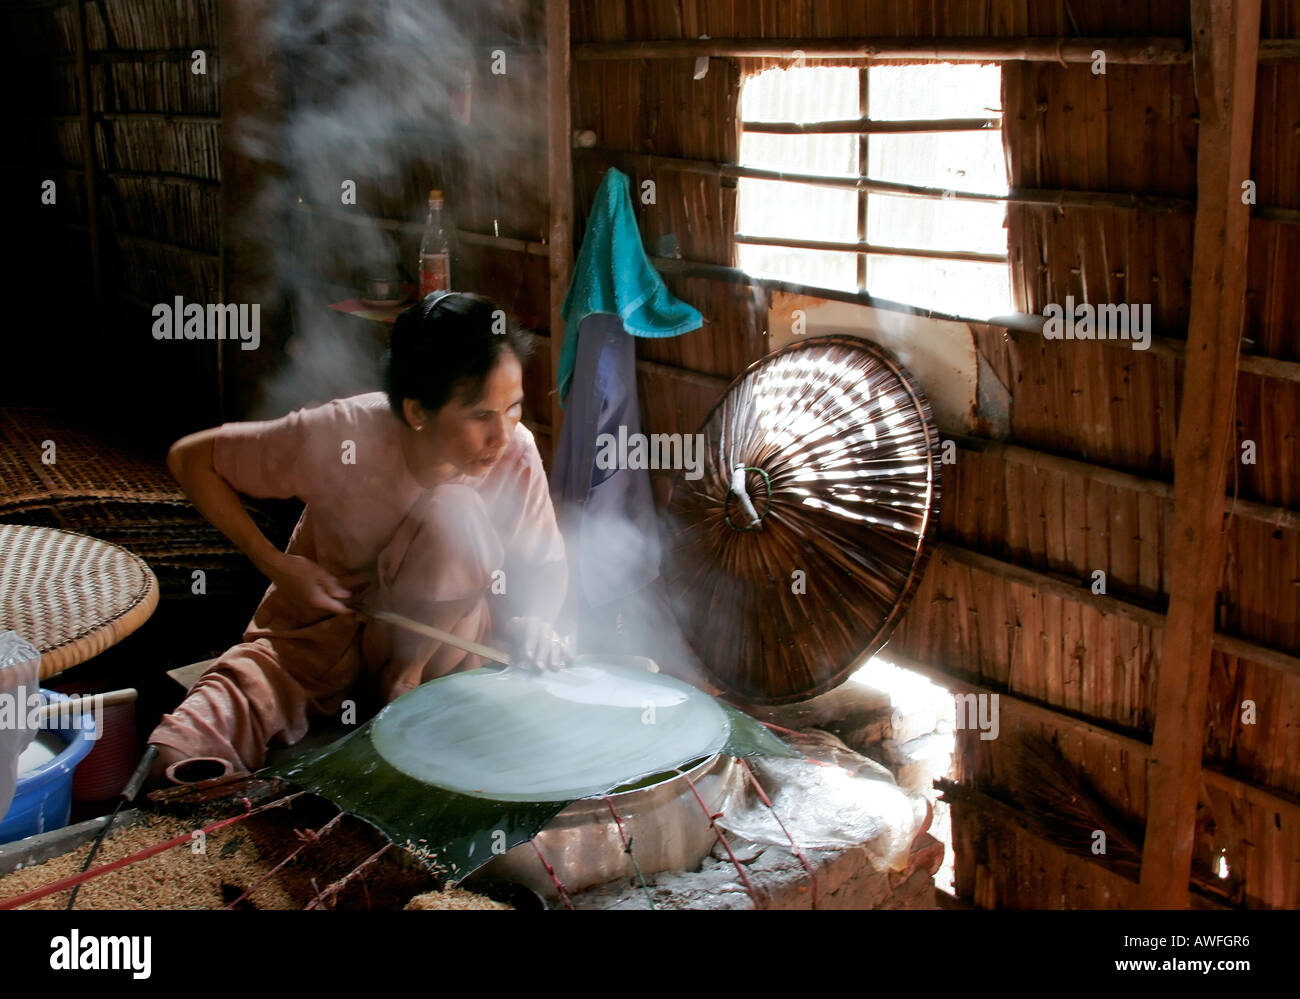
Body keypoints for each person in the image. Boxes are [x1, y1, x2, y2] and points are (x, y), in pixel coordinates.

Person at [147, 292, 570, 780]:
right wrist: (276, 564)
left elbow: (547, 563)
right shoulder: (343, 433)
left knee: (456, 513)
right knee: (174, 756)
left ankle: (403, 684)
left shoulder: (514, 452)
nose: (502, 435)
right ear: (417, 411)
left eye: (513, 408)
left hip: (440, 662)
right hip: (312, 644)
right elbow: (191, 459)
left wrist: (540, 621)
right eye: (479, 415)